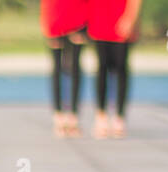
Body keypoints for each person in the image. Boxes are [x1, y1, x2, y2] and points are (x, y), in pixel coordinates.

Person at [88, 0, 143, 139]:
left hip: (121, 17)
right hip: (98, 16)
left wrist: (130, 17)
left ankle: (119, 117)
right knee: (101, 68)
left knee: (121, 68)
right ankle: (101, 116)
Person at [41, 1, 89, 137]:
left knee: (75, 66)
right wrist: (46, 18)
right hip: (56, 13)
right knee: (57, 67)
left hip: (79, 13)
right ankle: (58, 116)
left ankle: (74, 116)